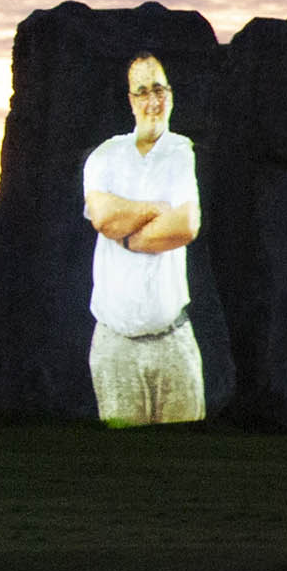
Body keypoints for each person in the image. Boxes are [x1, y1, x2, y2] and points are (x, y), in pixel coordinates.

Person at [82, 53, 204, 426]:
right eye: (143, 91)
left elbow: (185, 224)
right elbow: (103, 217)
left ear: (171, 94)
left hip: (174, 338)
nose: (154, 101)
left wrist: (129, 237)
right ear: (131, 99)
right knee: (123, 463)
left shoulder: (181, 151)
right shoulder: (105, 156)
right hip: (115, 343)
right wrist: (157, 207)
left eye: (160, 89)